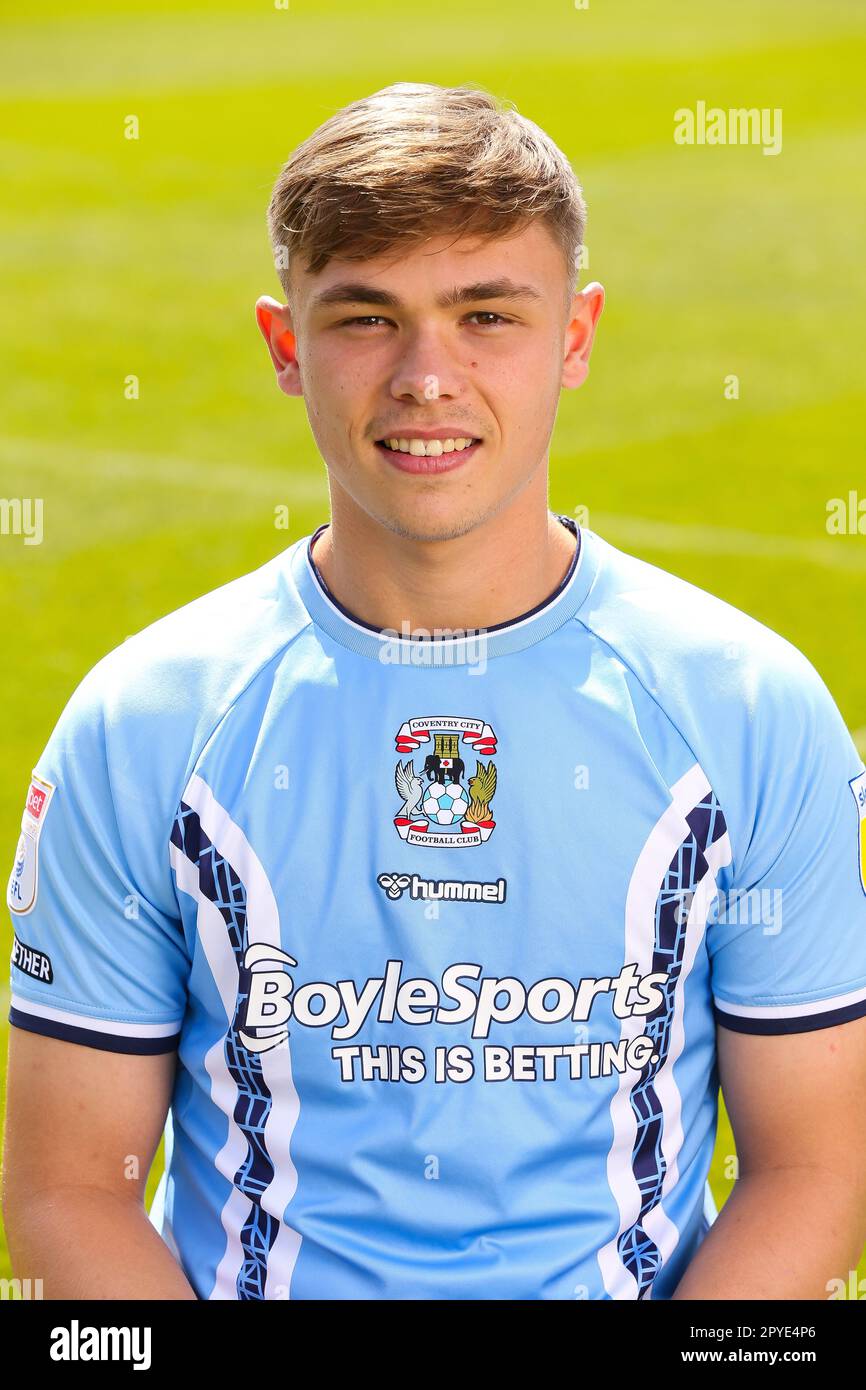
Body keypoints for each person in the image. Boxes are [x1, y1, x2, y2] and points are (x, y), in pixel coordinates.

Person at [5, 82, 866, 1302]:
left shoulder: (746, 704)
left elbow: (816, 1166)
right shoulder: (144, 718)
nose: (425, 377)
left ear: (575, 334)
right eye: (366, 317)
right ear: (284, 345)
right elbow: (68, 1186)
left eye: (486, 316)